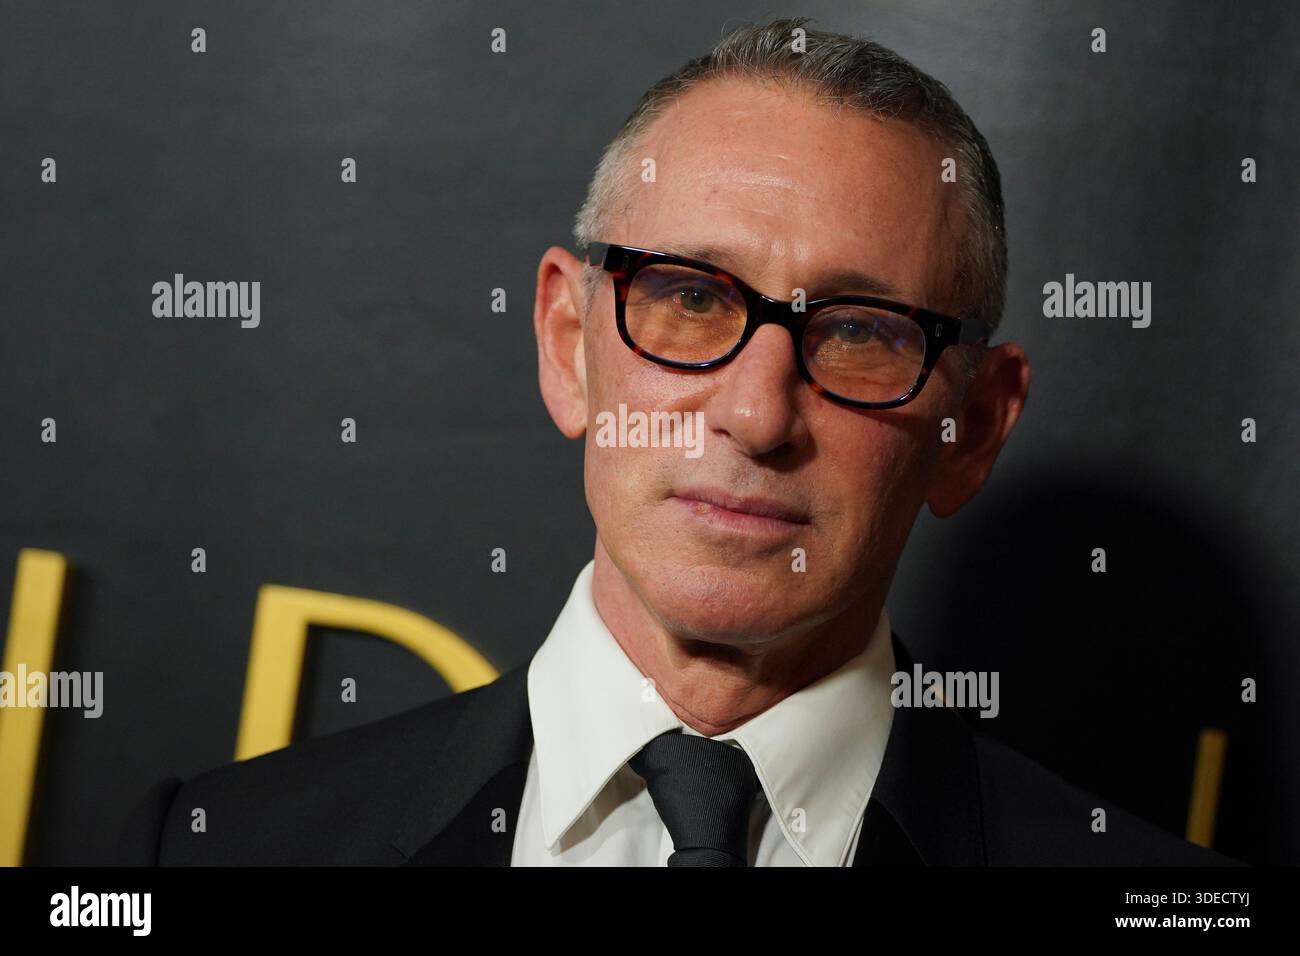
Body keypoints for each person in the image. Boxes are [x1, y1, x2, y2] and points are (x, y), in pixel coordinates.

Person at [120, 17, 1233, 866]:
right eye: (692, 299)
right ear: (569, 345)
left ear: (971, 428)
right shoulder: (215, 846)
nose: (755, 414)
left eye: (857, 332)